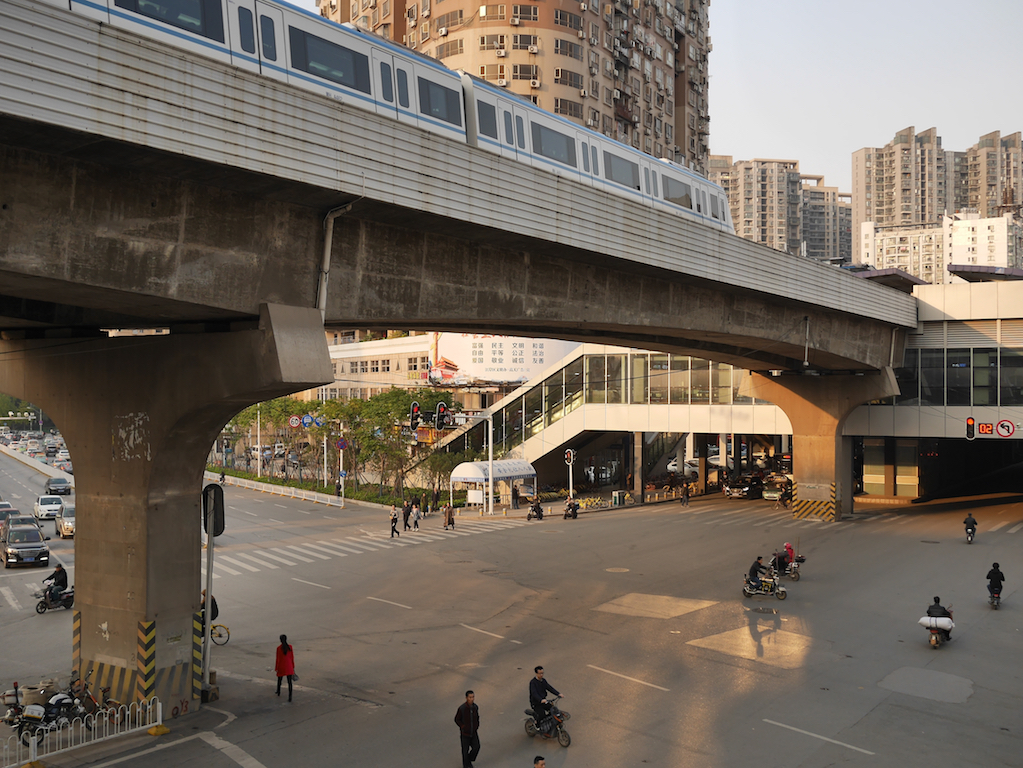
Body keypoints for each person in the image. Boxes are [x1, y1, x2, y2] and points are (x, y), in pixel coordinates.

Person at [529, 666, 562, 734]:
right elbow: (534, 693)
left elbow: (550, 688)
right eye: (540, 673)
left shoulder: (543, 681)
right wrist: (540, 700)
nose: (541, 675)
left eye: (542, 673)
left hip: (544, 701)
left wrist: (558, 694)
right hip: (536, 703)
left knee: (553, 710)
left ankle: (549, 724)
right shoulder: (533, 683)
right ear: (536, 673)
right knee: (542, 714)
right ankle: (537, 725)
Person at [454, 690, 480, 768]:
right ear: (466, 698)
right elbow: (457, 719)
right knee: (465, 751)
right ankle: (466, 765)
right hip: (465, 734)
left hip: (473, 732)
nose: (472, 699)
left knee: (476, 747)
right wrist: (463, 727)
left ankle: (469, 759)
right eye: (470, 697)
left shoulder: (475, 707)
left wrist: (476, 725)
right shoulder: (462, 708)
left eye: (473, 697)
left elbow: (477, 717)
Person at [274, 634, 295, 701]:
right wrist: (293, 666)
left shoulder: (278, 648)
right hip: (289, 666)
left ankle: (278, 691)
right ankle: (290, 696)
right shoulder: (290, 647)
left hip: (282, 666)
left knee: (279, 679)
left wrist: (276, 668)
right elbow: (292, 657)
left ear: (280, 640)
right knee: (289, 682)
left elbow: (278, 659)